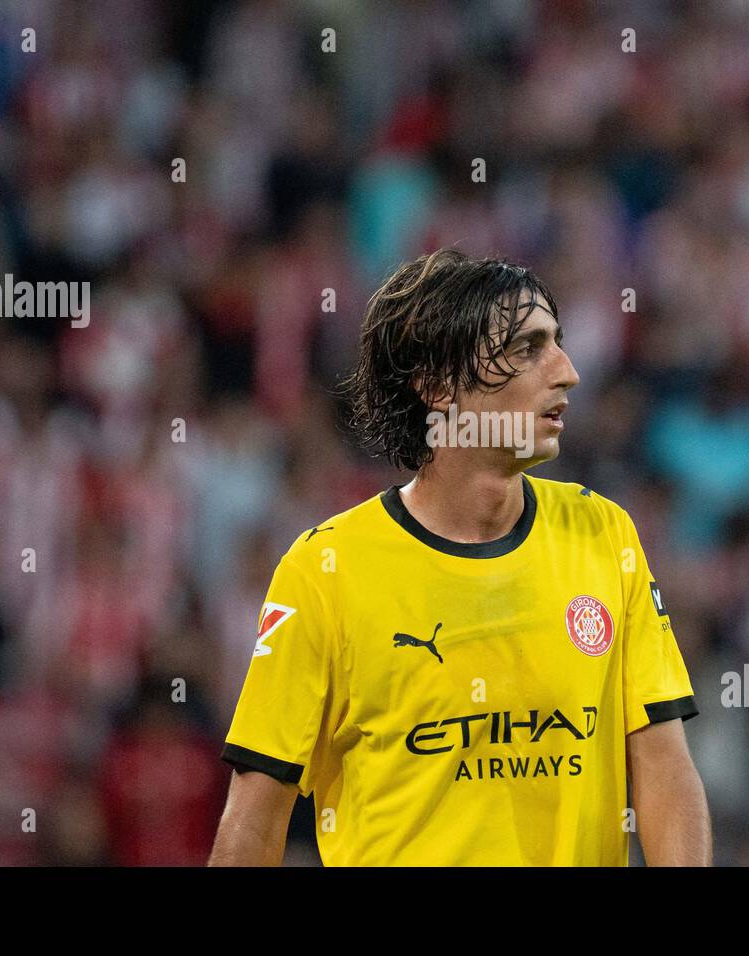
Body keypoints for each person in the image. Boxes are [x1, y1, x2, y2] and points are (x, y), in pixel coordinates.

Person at [209, 249, 712, 865]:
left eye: (558, 342)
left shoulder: (604, 534)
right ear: (439, 384)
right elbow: (255, 820)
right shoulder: (326, 571)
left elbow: (663, 766)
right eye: (528, 349)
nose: (568, 371)